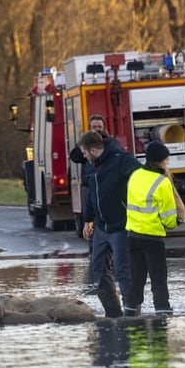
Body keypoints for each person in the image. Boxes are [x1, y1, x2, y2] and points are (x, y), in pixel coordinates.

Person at [78, 130, 142, 317]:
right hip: (100, 226)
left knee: (123, 269)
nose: (83, 156)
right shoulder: (92, 166)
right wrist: (87, 219)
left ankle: (132, 311)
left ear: (92, 150)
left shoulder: (121, 159)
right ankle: (112, 311)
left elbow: (141, 176)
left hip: (121, 225)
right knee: (98, 267)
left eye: (84, 153)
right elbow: (92, 193)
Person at [123, 141, 179, 316]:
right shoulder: (162, 183)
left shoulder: (135, 175)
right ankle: (162, 311)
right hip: (153, 237)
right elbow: (169, 219)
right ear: (160, 161)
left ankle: (130, 310)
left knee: (136, 278)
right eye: (166, 160)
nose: (167, 163)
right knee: (158, 278)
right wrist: (176, 221)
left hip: (133, 235)